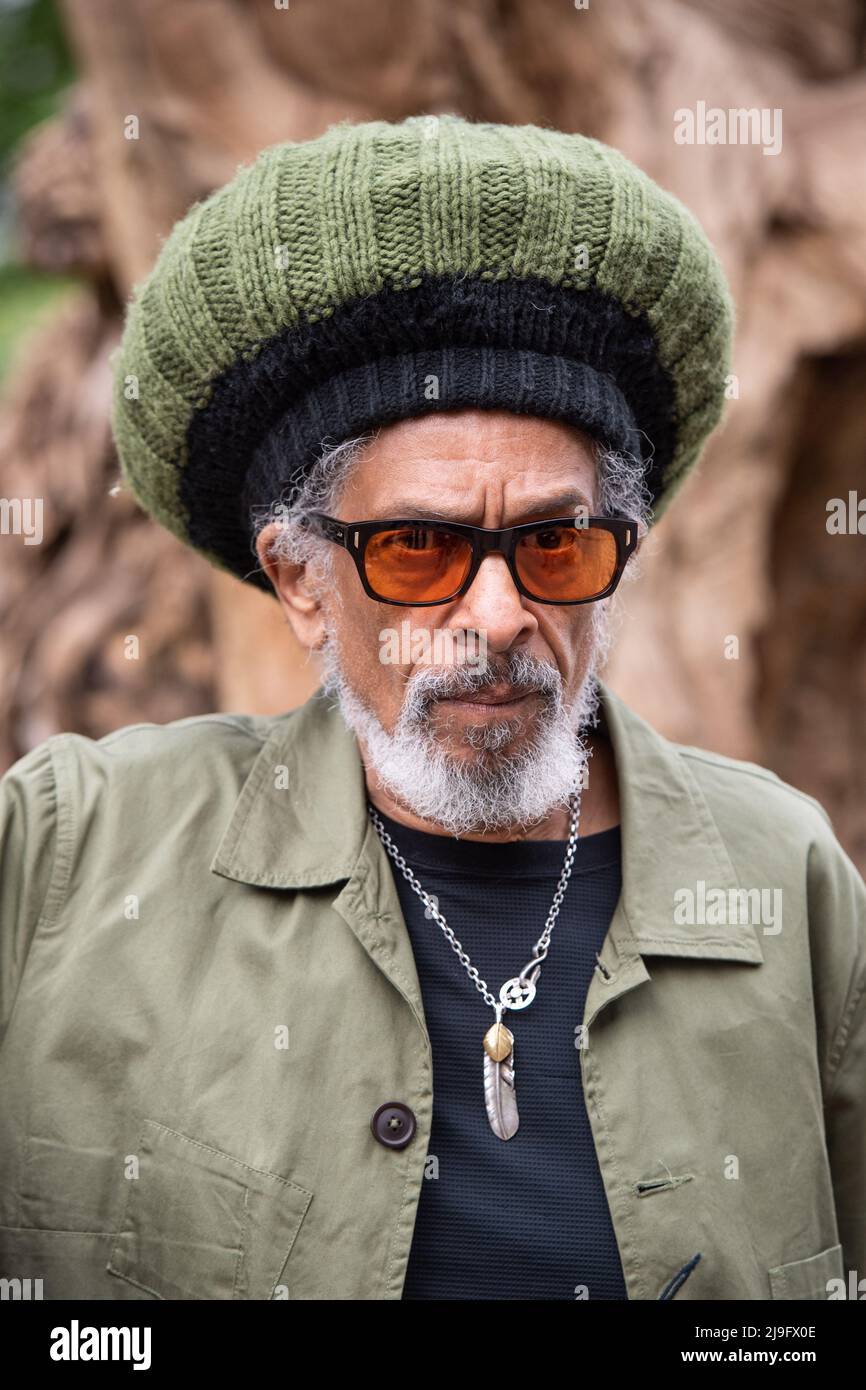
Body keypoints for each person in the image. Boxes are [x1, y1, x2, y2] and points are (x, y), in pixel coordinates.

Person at [0, 115, 862, 1302]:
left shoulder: (789, 879)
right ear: (301, 581)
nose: (500, 615)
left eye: (554, 545)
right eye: (416, 547)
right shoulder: (63, 854)